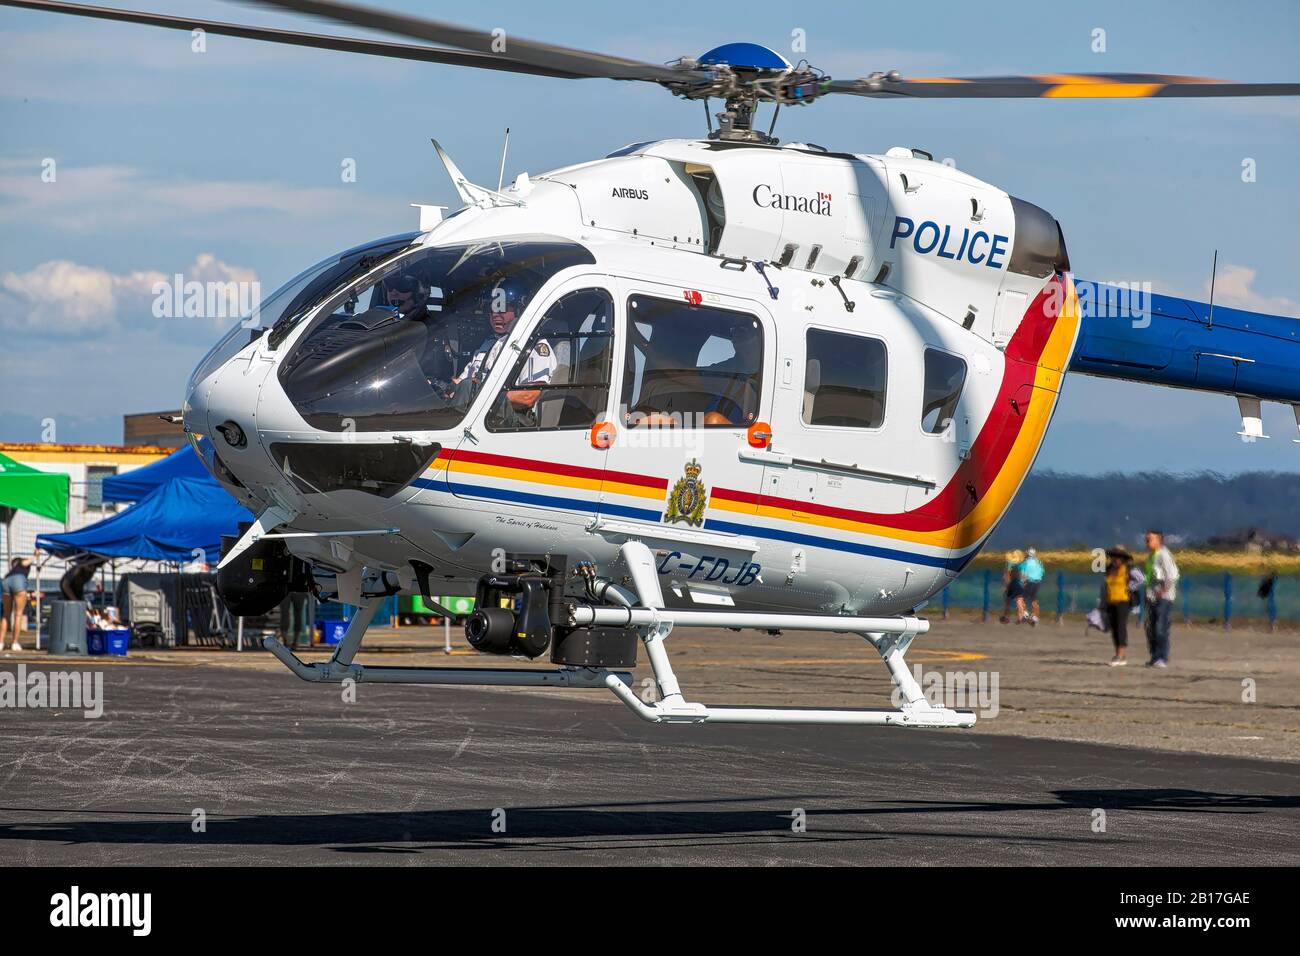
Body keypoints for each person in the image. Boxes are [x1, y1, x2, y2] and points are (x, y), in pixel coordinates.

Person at [1142, 529, 1179, 668]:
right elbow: (1150, 577)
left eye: (1150, 539)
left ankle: (1162, 657)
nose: (1147, 542)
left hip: (1164, 597)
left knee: (1160, 626)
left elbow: (1172, 575)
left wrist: (1164, 590)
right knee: (1150, 627)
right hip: (1152, 596)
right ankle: (1154, 656)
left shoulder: (1164, 555)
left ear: (1159, 540)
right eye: (1146, 539)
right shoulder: (1151, 556)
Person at [1102, 545, 1134, 665]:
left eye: (1118, 557)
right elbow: (1105, 585)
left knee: (1121, 627)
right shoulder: (1109, 569)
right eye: (1114, 556)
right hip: (1110, 601)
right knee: (1114, 629)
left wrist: (1130, 589)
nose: (1116, 559)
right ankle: (1120, 655)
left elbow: (1141, 579)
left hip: (1123, 601)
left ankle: (1120, 655)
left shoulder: (1128, 569)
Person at [1, 556, 34, 651]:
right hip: (18, 582)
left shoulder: (12, 570)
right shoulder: (21, 564)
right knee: (18, 615)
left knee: (5, 615)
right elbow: (25, 562)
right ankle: (14, 643)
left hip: (6, 581)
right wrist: (36, 555)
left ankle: (0, 642)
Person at [1018, 547, 1046, 625]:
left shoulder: (1025, 563)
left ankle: (1025, 614)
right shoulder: (1039, 562)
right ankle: (1034, 617)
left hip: (1029, 582)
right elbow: (1043, 572)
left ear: (1028, 554)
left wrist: (1022, 583)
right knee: (1034, 598)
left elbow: (1022, 574)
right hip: (1038, 583)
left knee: (1021, 598)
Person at [1000, 549, 1024, 624]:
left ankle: (1006, 617)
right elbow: (1023, 576)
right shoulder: (1021, 564)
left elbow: (1007, 576)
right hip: (1019, 585)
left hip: (1012, 584)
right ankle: (1020, 617)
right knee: (1019, 602)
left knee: (1008, 601)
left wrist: (1006, 586)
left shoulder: (1010, 564)